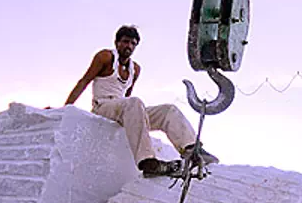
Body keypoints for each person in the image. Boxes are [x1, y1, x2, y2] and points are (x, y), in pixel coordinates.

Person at [65, 25, 218, 177]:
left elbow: (127, 97)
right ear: (117, 42)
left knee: (168, 110)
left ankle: (192, 149)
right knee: (134, 103)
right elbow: (84, 81)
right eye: (125, 42)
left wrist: (132, 115)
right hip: (103, 107)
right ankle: (147, 162)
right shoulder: (106, 57)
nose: (128, 46)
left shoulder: (135, 69)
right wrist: (65, 109)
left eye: (133, 43)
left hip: (123, 109)